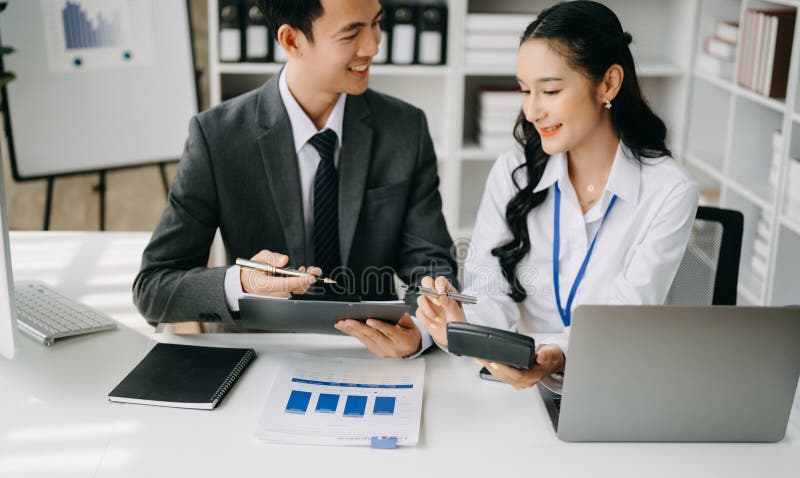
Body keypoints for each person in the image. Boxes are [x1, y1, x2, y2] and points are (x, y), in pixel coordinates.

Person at [133, 0, 456, 358]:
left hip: (372, 355)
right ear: (291, 41)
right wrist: (239, 284)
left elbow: (431, 262)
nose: (373, 46)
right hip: (257, 354)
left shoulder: (404, 129)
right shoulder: (217, 137)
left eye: (376, 23)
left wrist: (424, 331)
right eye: (351, 32)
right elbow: (153, 288)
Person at [415, 1, 699, 389]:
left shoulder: (669, 190)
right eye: (524, 90)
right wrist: (459, 323)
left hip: (615, 385)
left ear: (608, 84)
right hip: (519, 391)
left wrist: (556, 356)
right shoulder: (513, 172)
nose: (532, 111)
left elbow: (624, 320)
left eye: (549, 90)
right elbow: (489, 295)